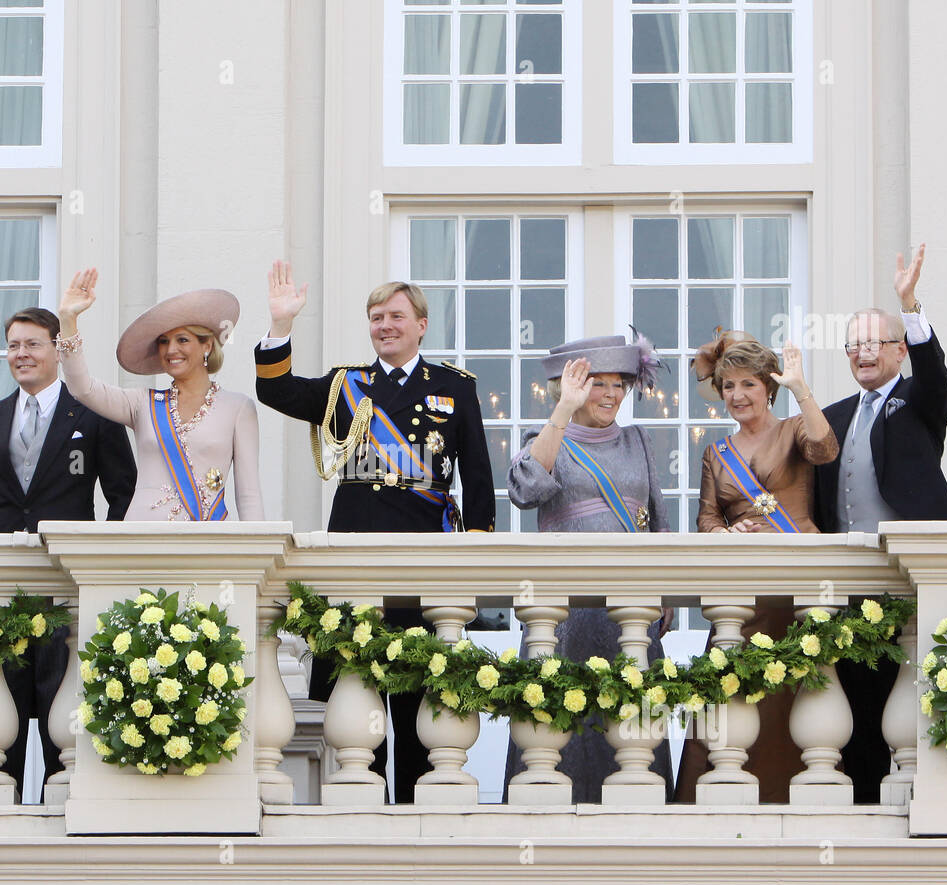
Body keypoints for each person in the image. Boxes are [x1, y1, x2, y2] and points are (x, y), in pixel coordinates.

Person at [254, 259, 494, 803]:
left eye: (395, 316)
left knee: (416, 695)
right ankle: (355, 804)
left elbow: (478, 481)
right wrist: (281, 326)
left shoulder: (454, 388)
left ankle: (413, 811)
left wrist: (474, 559)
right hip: (355, 555)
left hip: (421, 560)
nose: (384, 325)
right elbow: (278, 392)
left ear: (421, 324)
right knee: (354, 687)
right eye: (375, 317)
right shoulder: (347, 386)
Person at [814, 243, 947, 801]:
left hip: (912, 580)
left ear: (900, 351)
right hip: (848, 588)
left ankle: (921, 801)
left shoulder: (920, 403)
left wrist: (910, 304)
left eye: (875, 344)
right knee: (855, 696)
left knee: (916, 694)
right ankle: (862, 802)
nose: (863, 355)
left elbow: (937, 379)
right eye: (855, 347)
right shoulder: (832, 417)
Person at [0, 306, 137, 800]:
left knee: (58, 702)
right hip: (4, 586)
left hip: (67, 582)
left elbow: (124, 491)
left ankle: (58, 805)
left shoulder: (93, 412)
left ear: (56, 348)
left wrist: (100, 563)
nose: (21, 355)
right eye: (14, 346)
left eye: (33, 344)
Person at [504, 335, 674, 801]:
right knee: (562, 723)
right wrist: (562, 412)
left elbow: (656, 519)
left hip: (630, 607)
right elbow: (524, 491)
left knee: (632, 720)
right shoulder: (542, 440)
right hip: (567, 611)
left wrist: (667, 592)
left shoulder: (638, 439)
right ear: (569, 387)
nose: (611, 394)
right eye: (597, 383)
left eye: (620, 384)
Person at [680, 330, 839, 803]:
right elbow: (706, 517)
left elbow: (825, 449)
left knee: (799, 689)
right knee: (734, 688)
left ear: (767, 388)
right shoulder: (716, 452)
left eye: (748, 384)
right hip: (742, 590)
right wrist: (723, 534)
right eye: (728, 386)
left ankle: (795, 796)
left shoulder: (793, 429)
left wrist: (801, 388)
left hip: (794, 577)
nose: (737, 395)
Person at [53, 268, 263, 522]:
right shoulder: (142, 403)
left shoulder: (238, 408)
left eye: (182, 340)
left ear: (206, 345)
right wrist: (67, 320)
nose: (171, 349)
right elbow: (82, 388)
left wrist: (255, 555)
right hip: (144, 541)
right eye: (164, 341)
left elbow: (249, 495)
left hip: (209, 542)